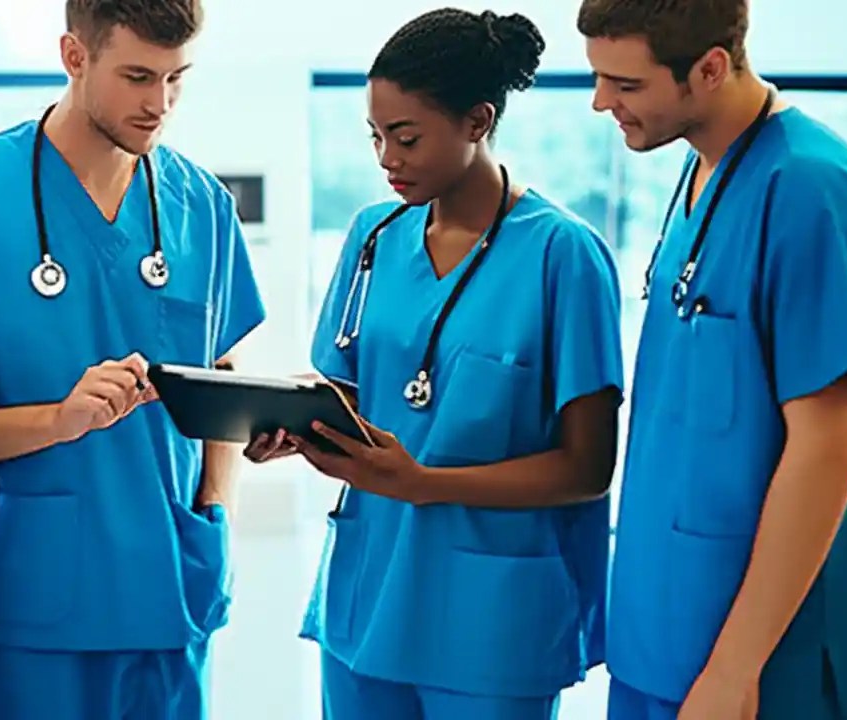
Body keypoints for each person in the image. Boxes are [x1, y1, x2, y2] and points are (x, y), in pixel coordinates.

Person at [0, 0, 265, 717]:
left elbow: (223, 382)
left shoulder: (201, 204)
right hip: (28, 594)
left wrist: (214, 510)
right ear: (74, 56)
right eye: (138, 76)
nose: (160, 105)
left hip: (169, 587)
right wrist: (58, 419)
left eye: (178, 78)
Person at [245, 9, 624, 719]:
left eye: (407, 137)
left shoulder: (562, 255)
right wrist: (295, 426)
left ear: (478, 121)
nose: (387, 157)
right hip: (368, 593)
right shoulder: (373, 236)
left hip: (491, 617)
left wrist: (425, 483)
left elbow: (587, 467)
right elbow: (345, 391)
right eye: (377, 136)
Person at [577, 1, 847, 718]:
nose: (603, 102)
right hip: (665, 640)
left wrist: (733, 671)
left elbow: (830, 447)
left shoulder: (810, 189)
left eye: (626, 85)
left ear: (711, 68)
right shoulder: (705, 173)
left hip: (764, 669)